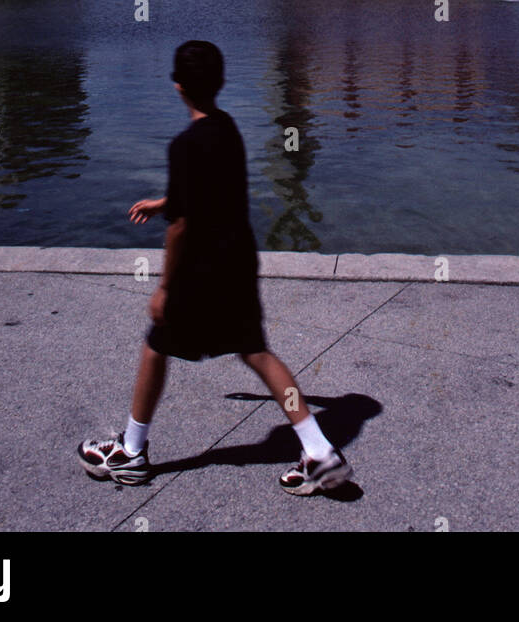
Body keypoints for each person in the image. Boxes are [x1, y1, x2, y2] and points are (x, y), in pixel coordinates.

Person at [78, 40, 352, 496]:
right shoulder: (229, 129)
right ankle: (318, 447)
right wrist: (166, 201)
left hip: (200, 269)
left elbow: (182, 225)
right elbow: (211, 189)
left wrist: (164, 287)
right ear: (221, 83)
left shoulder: (186, 143)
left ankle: (131, 452)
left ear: (178, 87)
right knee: (257, 353)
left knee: (155, 347)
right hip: (237, 259)